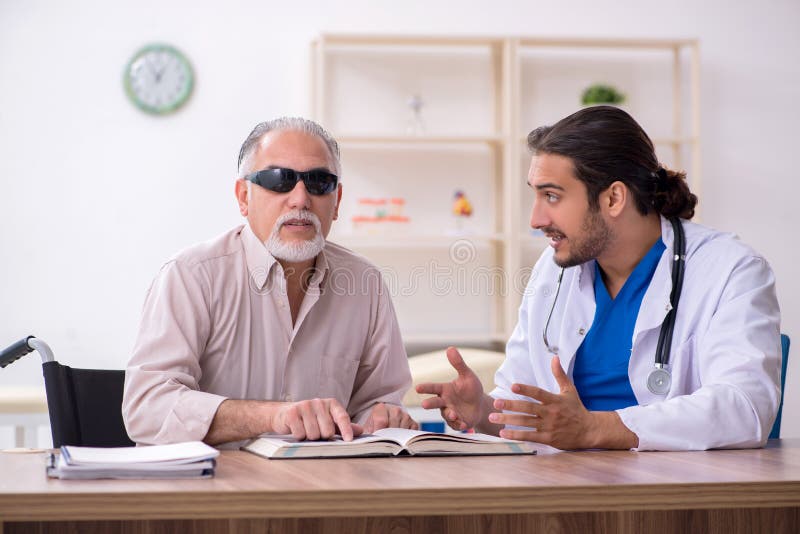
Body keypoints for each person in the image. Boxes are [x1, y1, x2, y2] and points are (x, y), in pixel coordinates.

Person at [417, 106, 781, 451]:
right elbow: (529, 407)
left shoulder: (730, 270)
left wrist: (594, 429)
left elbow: (746, 407)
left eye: (552, 196)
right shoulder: (554, 269)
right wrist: (482, 409)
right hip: (565, 493)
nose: (536, 219)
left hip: (679, 498)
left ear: (614, 198)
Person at [123, 117, 417, 448]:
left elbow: (377, 404)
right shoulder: (191, 276)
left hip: (323, 491)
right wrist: (271, 417)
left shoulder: (366, 283)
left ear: (336, 201)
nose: (300, 200)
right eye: (279, 180)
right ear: (243, 197)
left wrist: (382, 417)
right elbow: (147, 408)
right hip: (211, 491)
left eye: (319, 182)